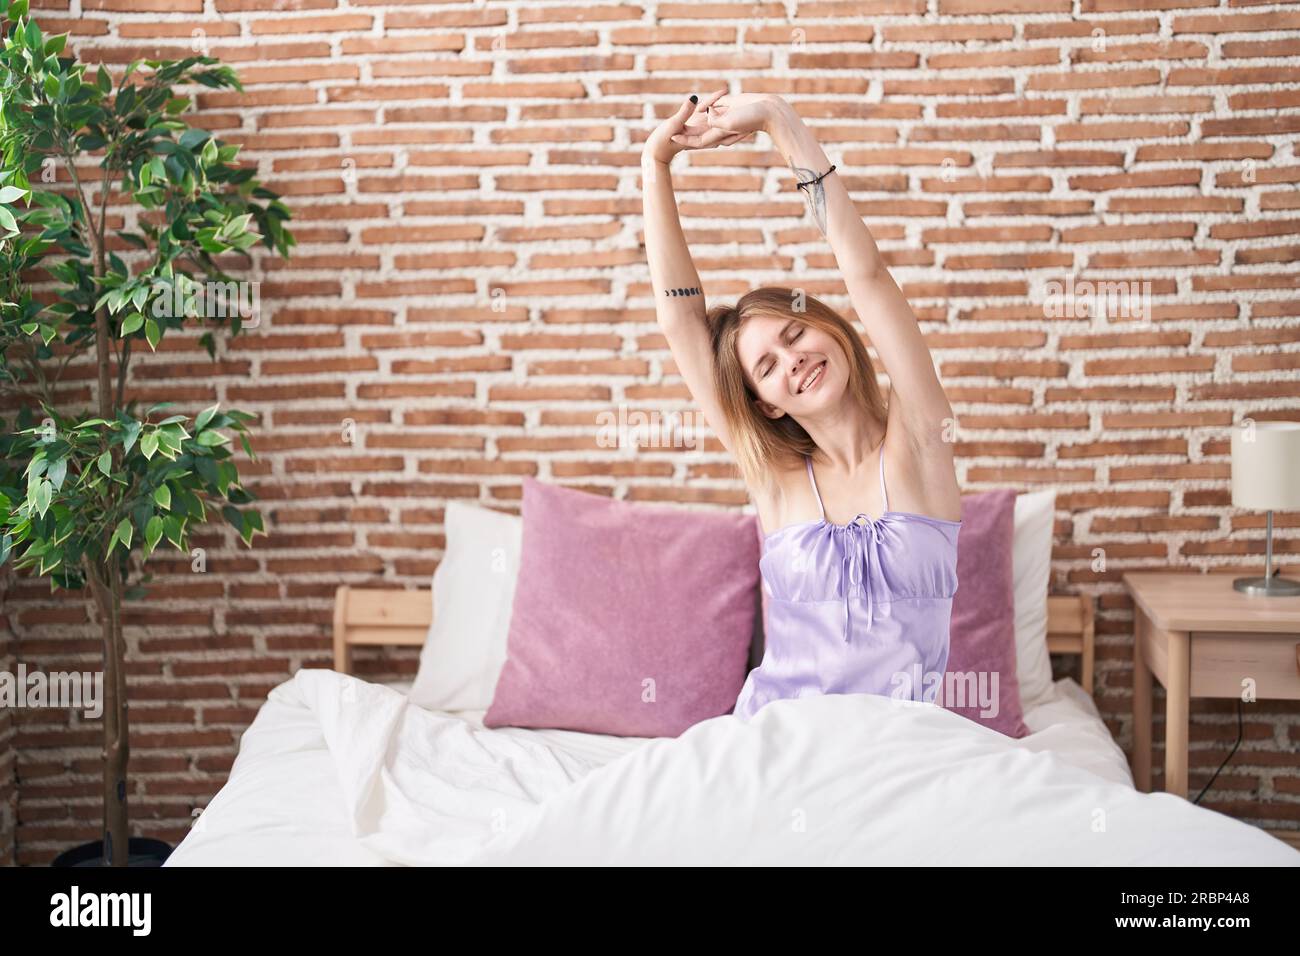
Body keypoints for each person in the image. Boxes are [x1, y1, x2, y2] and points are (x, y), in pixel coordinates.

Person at [640, 90, 964, 719]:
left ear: (832, 330)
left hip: (903, 754)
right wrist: (656, 165)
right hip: (778, 748)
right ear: (763, 405)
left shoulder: (920, 441)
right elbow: (681, 320)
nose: (792, 360)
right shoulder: (776, 479)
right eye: (766, 366)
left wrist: (780, 122)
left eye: (795, 335)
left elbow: (866, 273)